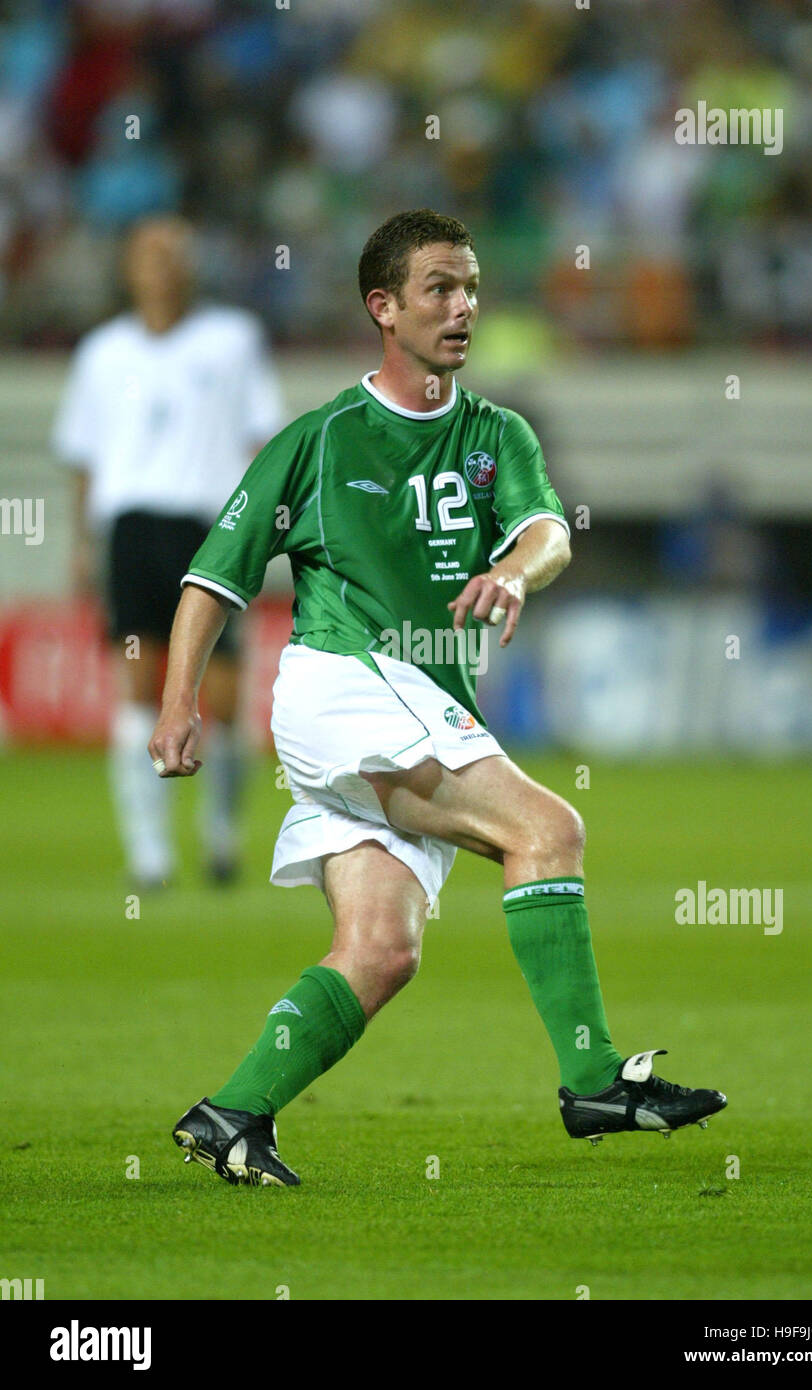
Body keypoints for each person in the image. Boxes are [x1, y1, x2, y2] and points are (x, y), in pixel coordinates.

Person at [150, 209, 726, 1187]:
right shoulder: (319, 442)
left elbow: (549, 531)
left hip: (413, 703)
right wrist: (178, 703)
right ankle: (593, 1081)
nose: (460, 307)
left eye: (468, 287)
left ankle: (231, 1114)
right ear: (383, 307)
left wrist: (512, 569)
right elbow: (214, 578)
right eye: (436, 289)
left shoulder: (495, 433)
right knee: (546, 830)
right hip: (349, 686)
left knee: (380, 949)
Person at [53, 215, 284, 889]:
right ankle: (150, 853)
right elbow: (84, 458)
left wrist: (259, 531)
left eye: (175, 253)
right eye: (150, 254)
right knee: (138, 686)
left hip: (206, 531)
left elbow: (260, 439)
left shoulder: (232, 340)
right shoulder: (102, 353)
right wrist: (80, 544)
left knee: (224, 693)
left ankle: (221, 835)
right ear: (129, 268)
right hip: (129, 530)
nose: (163, 265)